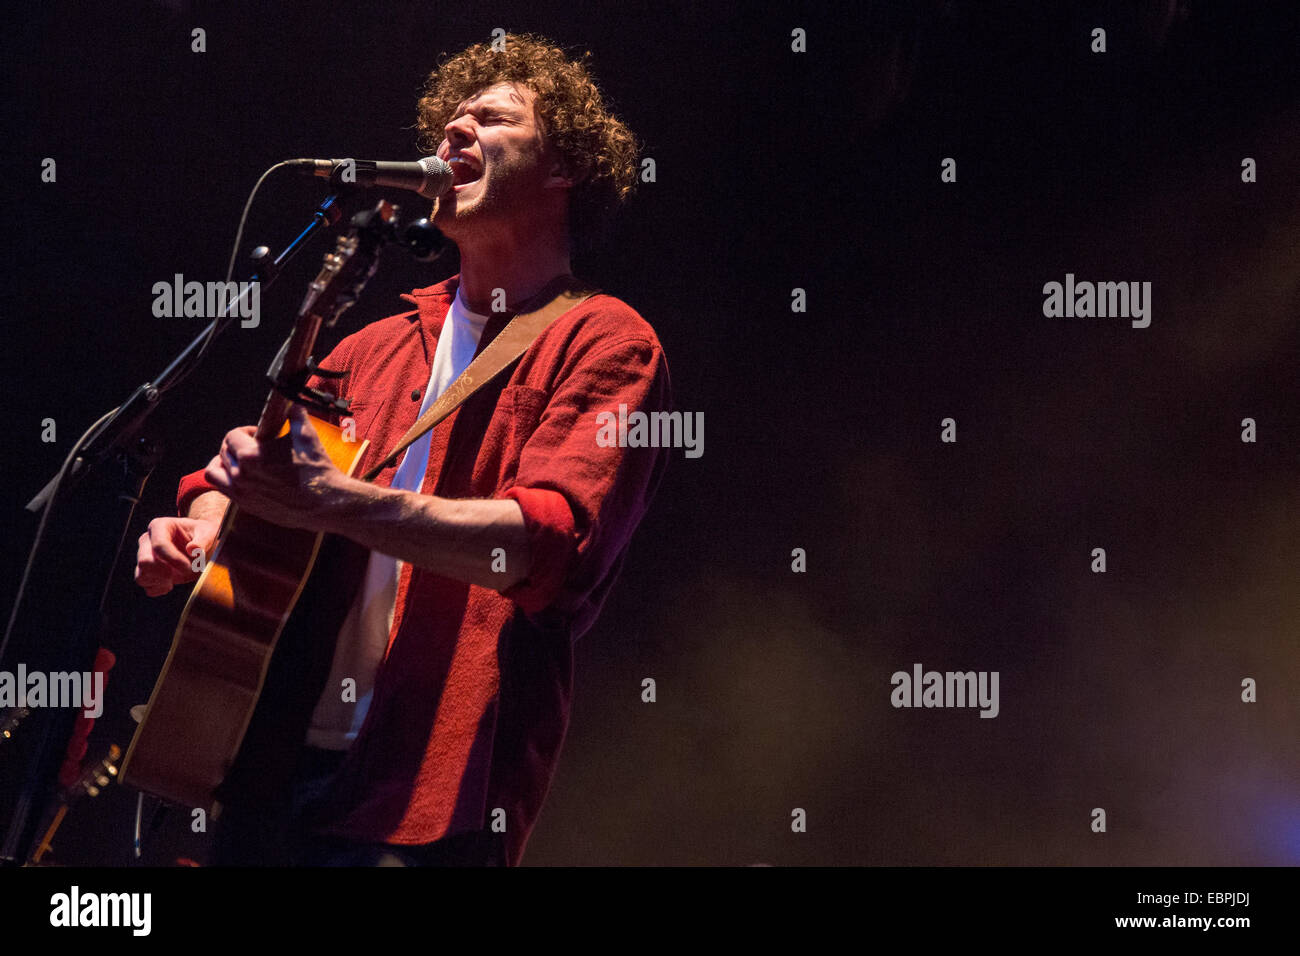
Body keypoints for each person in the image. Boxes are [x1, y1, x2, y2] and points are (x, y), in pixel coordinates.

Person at [132, 33, 670, 866]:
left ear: (563, 167)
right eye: (449, 118)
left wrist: (331, 499)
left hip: (429, 797)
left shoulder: (605, 342)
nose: (454, 131)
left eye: (489, 117)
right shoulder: (372, 344)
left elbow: (541, 550)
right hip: (266, 769)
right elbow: (241, 479)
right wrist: (202, 526)